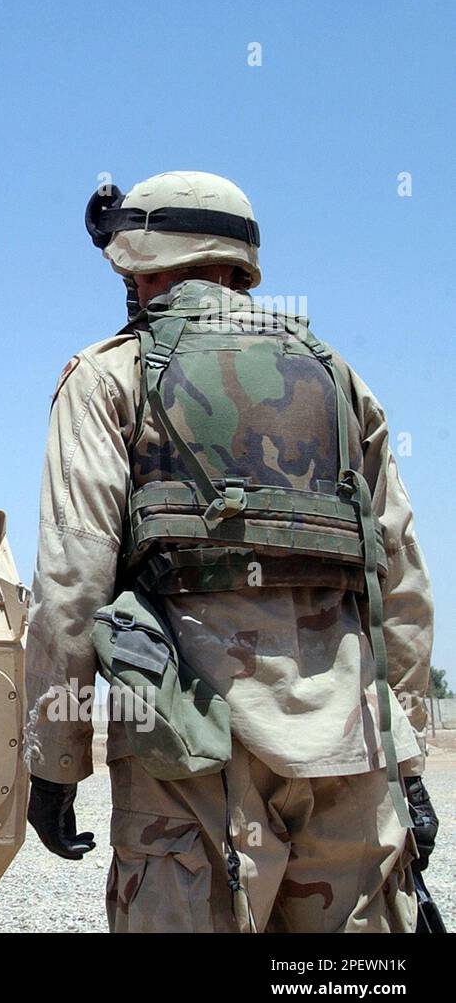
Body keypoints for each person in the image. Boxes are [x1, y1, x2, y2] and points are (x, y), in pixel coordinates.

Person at [25, 170, 436, 933]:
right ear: (238, 265)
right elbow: (401, 584)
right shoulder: (337, 377)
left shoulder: (110, 375)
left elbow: (71, 584)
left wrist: (54, 762)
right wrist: (406, 763)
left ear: (146, 265)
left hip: (187, 762)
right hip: (349, 757)